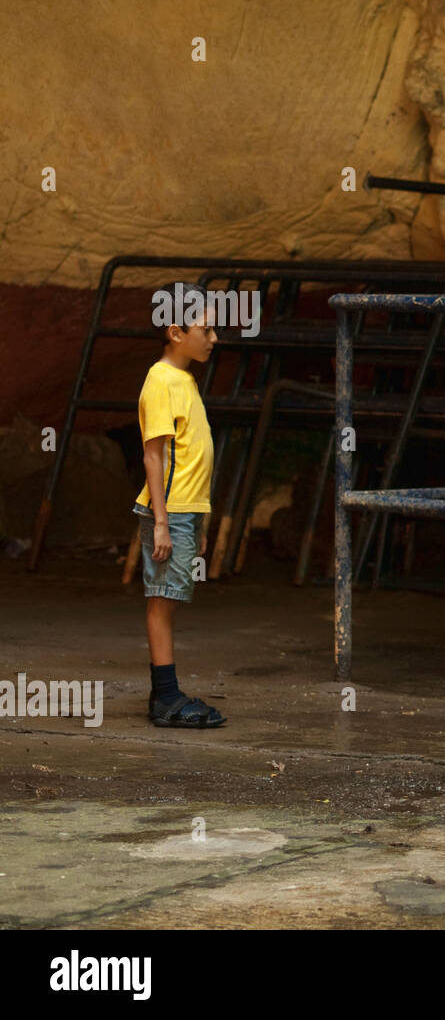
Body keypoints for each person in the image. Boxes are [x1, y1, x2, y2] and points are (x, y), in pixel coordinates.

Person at [133, 283, 226, 727]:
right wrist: (162, 523)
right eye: (205, 330)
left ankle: (166, 695)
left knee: (169, 597)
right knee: (162, 600)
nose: (213, 338)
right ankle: (166, 700)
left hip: (185, 511)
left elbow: (191, 455)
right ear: (175, 332)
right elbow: (155, 455)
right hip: (167, 513)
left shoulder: (184, 379)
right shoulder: (160, 381)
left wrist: (200, 519)